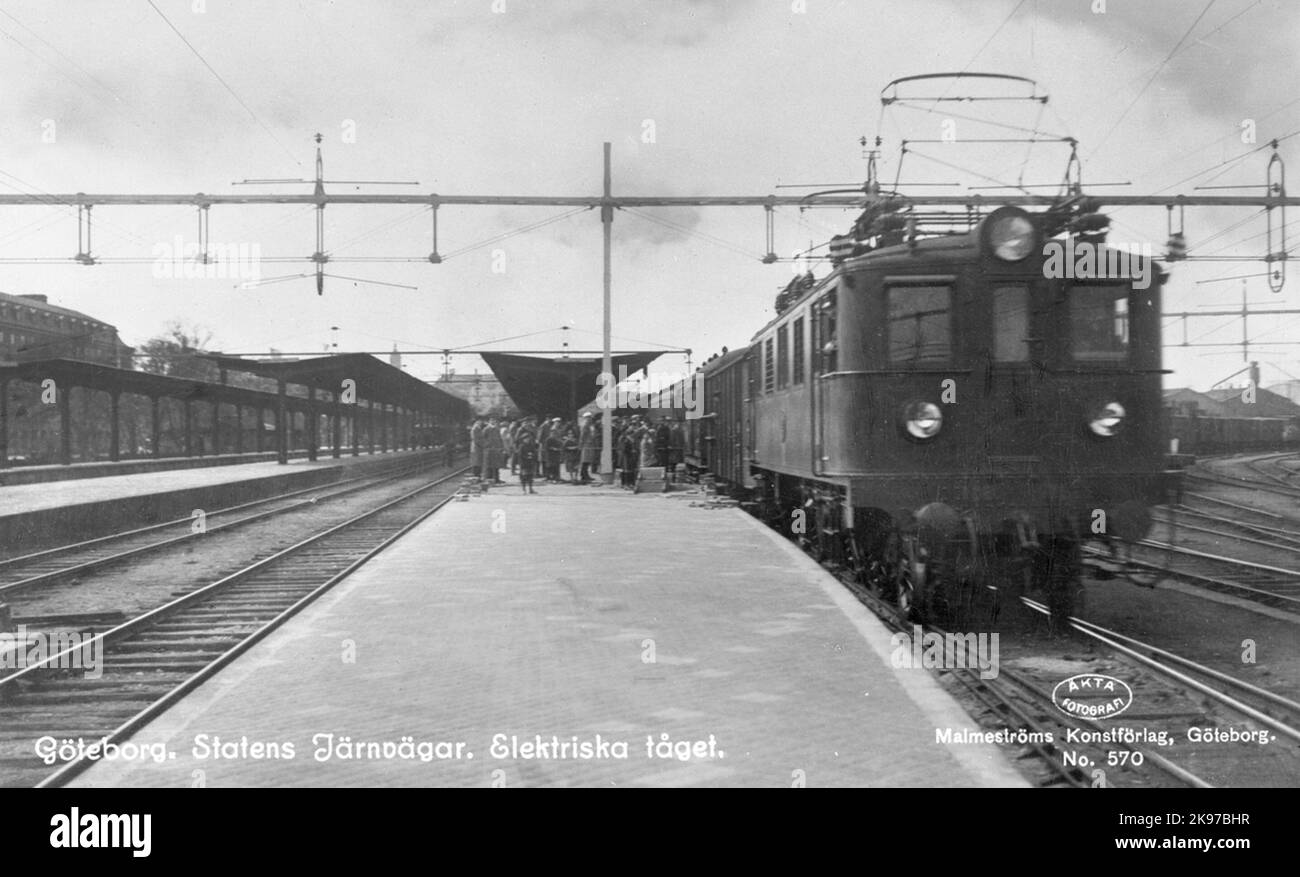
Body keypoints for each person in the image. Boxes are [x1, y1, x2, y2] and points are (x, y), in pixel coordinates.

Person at [516, 429, 538, 494]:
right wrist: (527, 457)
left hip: (530, 462)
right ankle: (524, 489)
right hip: (524, 463)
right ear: (523, 439)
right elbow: (520, 455)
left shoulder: (531, 445)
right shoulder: (521, 446)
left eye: (528, 438)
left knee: (530, 476)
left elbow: (534, 452)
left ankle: (531, 489)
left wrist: (532, 456)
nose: (527, 440)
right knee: (524, 476)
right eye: (526, 438)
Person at [579, 413, 599, 483]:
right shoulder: (585, 425)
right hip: (586, 444)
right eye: (589, 418)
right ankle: (583, 475)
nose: (590, 419)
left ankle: (586, 474)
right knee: (585, 460)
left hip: (590, 444)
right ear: (586, 418)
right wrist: (581, 444)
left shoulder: (590, 425)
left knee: (588, 460)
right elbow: (582, 436)